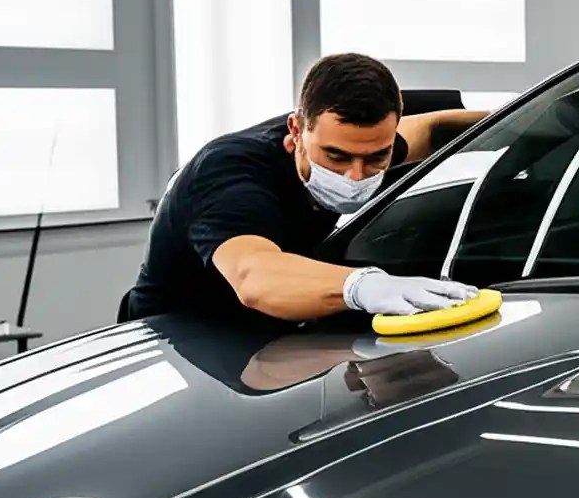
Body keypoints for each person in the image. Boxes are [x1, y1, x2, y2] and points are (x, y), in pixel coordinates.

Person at [122, 53, 488, 323]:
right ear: (296, 131)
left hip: (272, 336)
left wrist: (537, 117)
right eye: (335, 156)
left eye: (377, 156)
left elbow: (436, 128)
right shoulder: (230, 171)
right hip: (174, 338)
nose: (356, 175)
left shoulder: (371, 143)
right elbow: (255, 277)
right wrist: (367, 287)